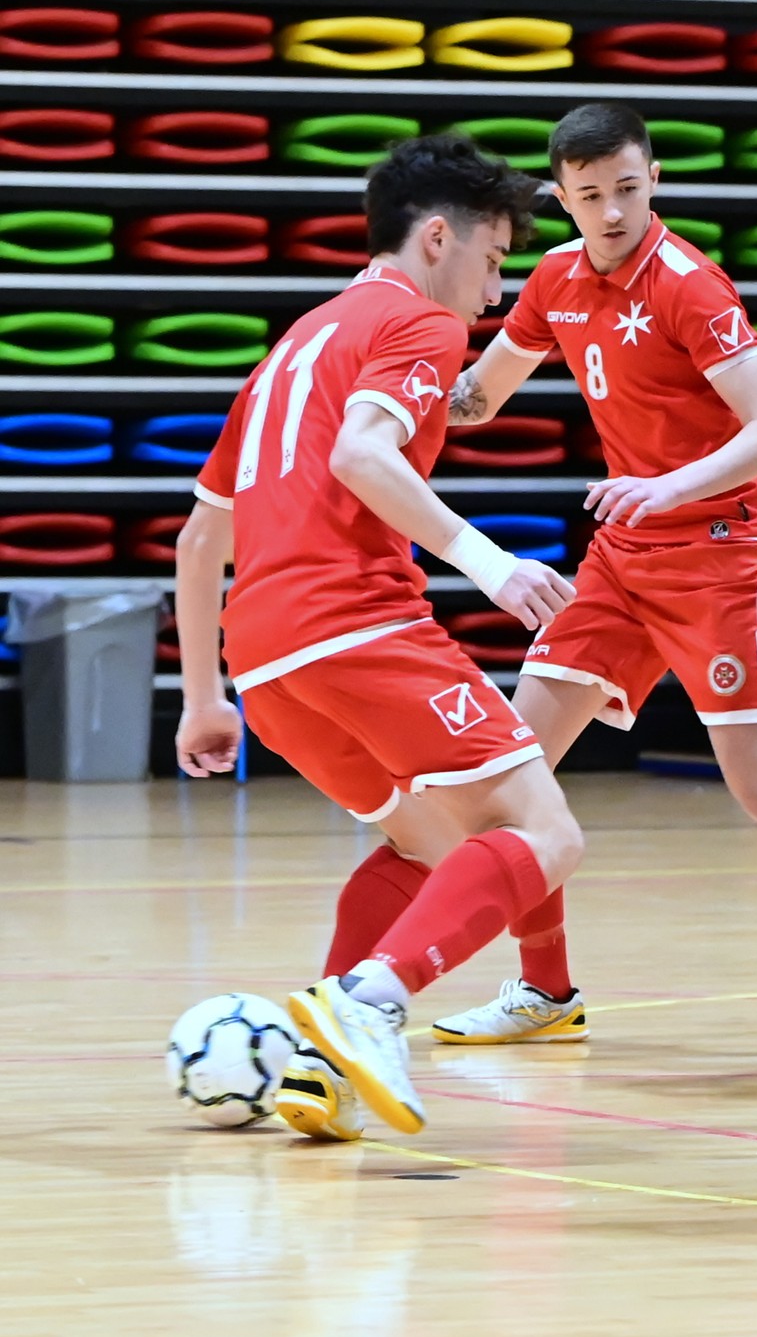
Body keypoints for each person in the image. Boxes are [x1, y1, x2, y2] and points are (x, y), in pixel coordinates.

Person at [414, 103, 757, 1048]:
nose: (611, 212)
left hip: (720, 553)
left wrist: (665, 484)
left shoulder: (689, 285)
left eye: (627, 190)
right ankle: (547, 991)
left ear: (654, 177)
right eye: (590, 196)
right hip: (624, 562)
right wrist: (404, 379)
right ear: (561, 198)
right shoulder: (555, 277)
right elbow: (481, 395)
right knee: (512, 770)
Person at [173, 134, 583, 1140]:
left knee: (421, 843)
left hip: (262, 656)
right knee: (543, 836)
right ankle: (375, 997)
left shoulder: (296, 344)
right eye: (492, 261)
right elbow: (364, 454)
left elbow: (198, 537)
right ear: (437, 237)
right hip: (354, 619)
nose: (493, 294)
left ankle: (321, 1057)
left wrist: (202, 695)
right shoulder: (418, 320)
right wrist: (492, 564)